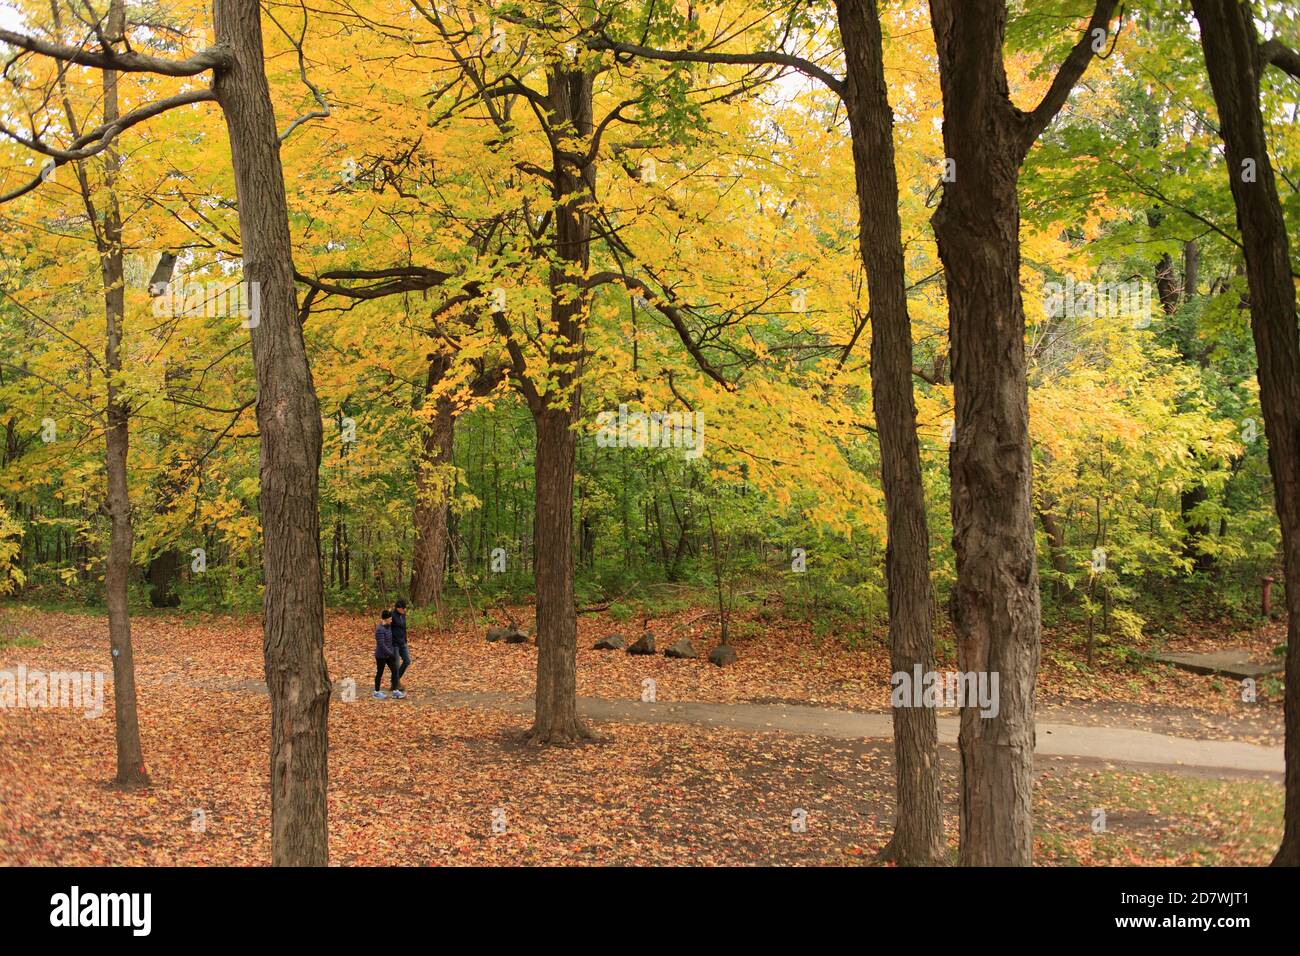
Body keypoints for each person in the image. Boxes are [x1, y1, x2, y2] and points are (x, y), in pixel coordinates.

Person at [373, 609, 404, 700]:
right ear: (385, 619)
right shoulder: (379, 629)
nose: (391, 620)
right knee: (380, 672)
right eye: (390, 619)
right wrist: (391, 654)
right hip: (381, 656)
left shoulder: (388, 626)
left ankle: (395, 691)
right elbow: (381, 645)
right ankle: (376, 692)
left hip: (389, 654)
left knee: (395, 670)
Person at [391, 598, 411, 690]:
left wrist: (405, 639)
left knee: (407, 661)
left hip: (403, 643)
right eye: (403, 608)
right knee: (396, 664)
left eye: (405, 608)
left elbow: (403, 628)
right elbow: (387, 628)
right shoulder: (392, 616)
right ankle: (395, 684)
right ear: (398, 608)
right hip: (394, 644)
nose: (404, 610)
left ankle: (395, 680)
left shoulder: (403, 615)